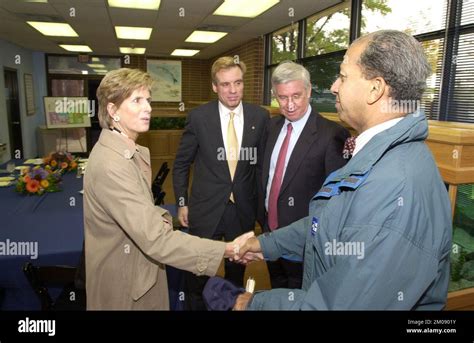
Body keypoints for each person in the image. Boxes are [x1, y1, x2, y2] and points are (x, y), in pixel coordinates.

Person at [233, 30, 452, 310]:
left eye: (344, 76)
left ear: (375, 89)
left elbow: (337, 306)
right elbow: (329, 224)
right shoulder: (380, 158)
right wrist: (266, 245)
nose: (335, 86)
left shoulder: (395, 186)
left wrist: (253, 304)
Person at [83, 68, 242, 310]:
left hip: (137, 272)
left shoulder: (128, 152)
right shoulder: (111, 164)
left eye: (148, 100)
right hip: (125, 287)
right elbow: (155, 239)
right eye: (137, 100)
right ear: (112, 110)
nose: (148, 107)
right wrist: (228, 249)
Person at [173, 56, 268, 310]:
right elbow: (182, 163)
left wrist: (263, 211)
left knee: (237, 274)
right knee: (197, 273)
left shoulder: (260, 117)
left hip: (242, 209)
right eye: (225, 84)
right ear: (215, 86)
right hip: (205, 208)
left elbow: (261, 168)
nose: (233, 90)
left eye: (238, 83)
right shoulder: (199, 117)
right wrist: (182, 202)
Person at [258, 61, 349, 289]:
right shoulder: (271, 127)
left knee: (301, 298)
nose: (289, 105)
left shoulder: (333, 134)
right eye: (282, 97)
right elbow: (266, 176)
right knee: (276, 292)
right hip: (270, 233)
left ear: (309, 91)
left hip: (305, 242)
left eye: (296, 96)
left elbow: (337, 199)